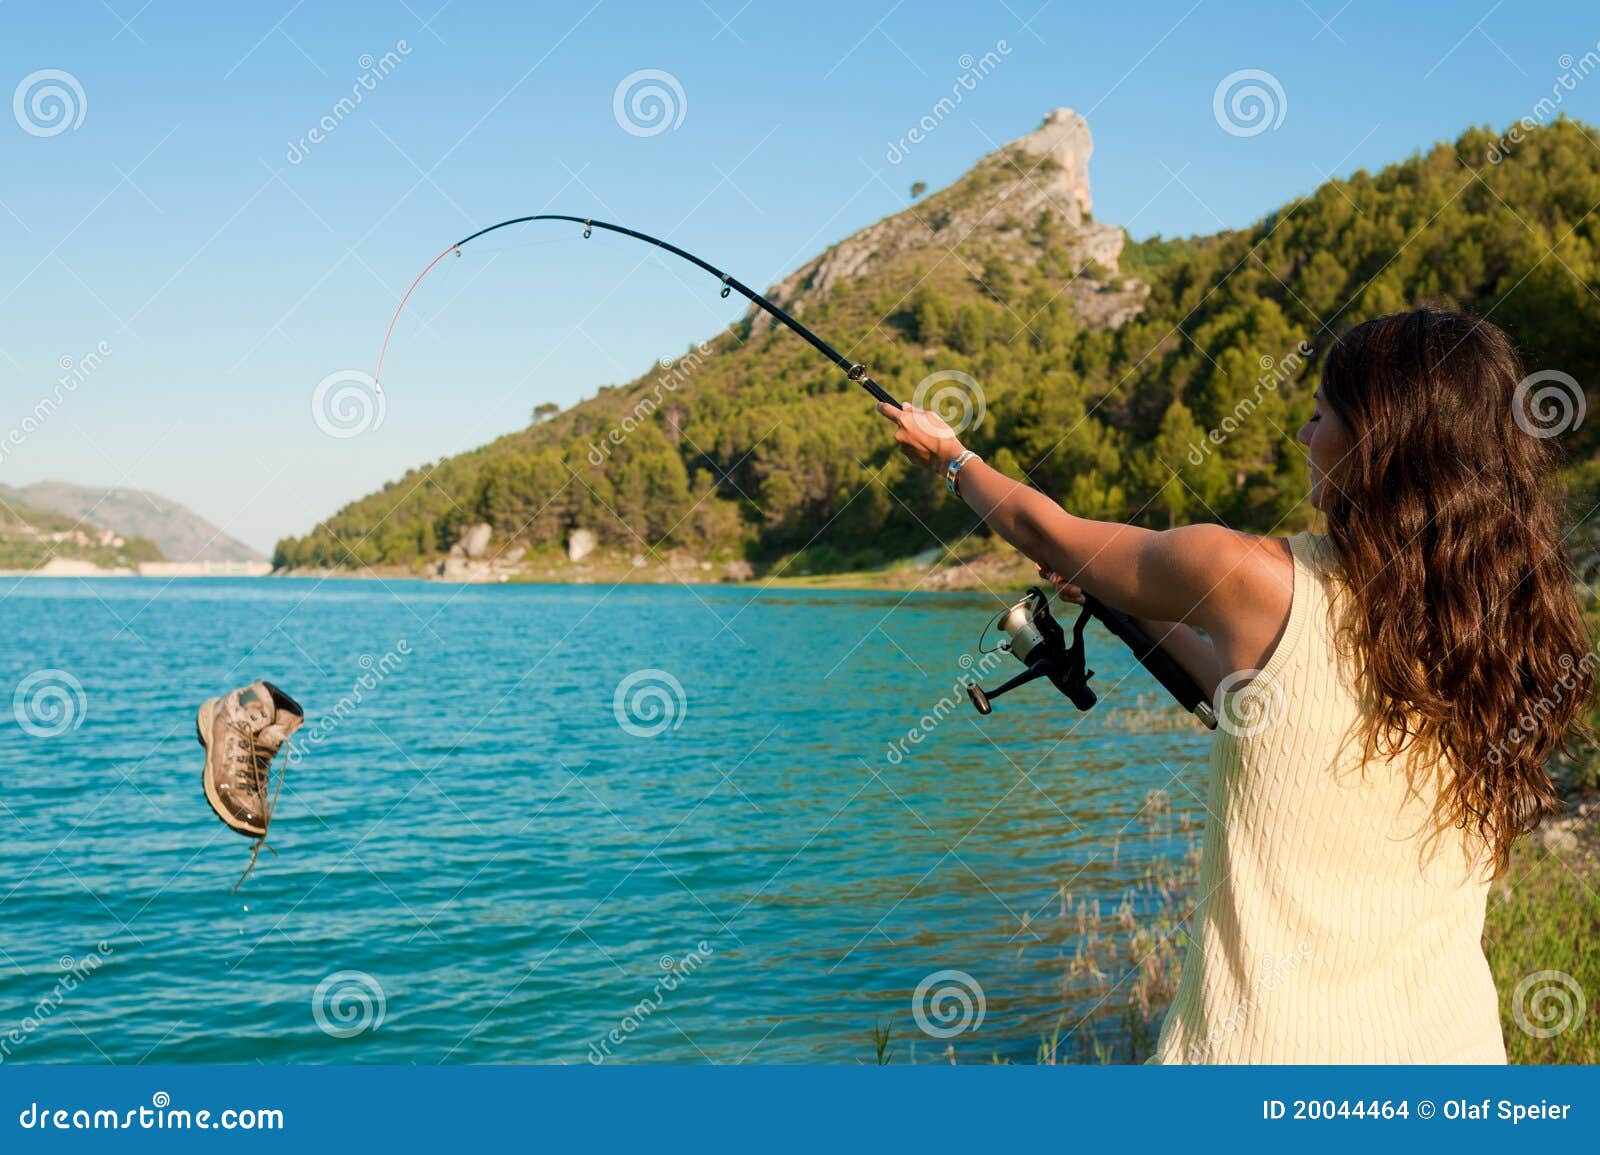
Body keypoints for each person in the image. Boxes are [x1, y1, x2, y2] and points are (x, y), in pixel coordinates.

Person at [878, 307, 1592, 1063]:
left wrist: (951, 456)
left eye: (1320, 414)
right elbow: (1262, 701)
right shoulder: (1506, 624)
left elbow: (1048, 531)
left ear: (1375, 439)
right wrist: (1125, 608)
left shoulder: (1252, 576)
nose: (1302, 436)